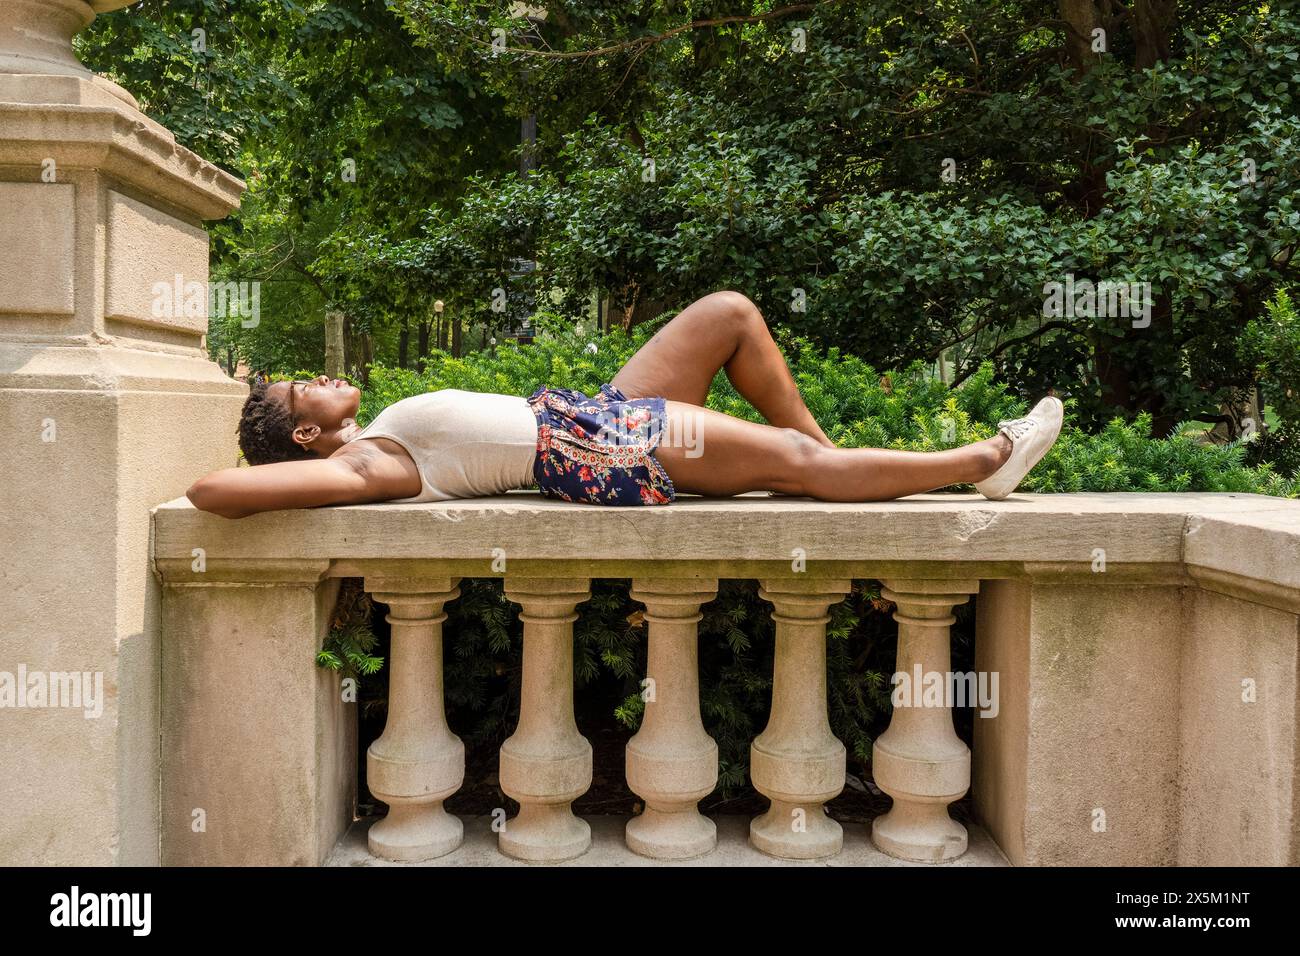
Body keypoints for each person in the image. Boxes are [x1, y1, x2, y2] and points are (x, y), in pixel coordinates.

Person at [186, 291, 1063, 519]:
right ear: (309, 429)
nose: (328, 376)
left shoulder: (369, 440)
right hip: (604, 449)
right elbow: (212, 494)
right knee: (798, 465)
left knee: (728, 315)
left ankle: (830, 472)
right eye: (311, 387)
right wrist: (292, 458)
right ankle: (984, 462)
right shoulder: (363, 464)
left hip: (592, 412)